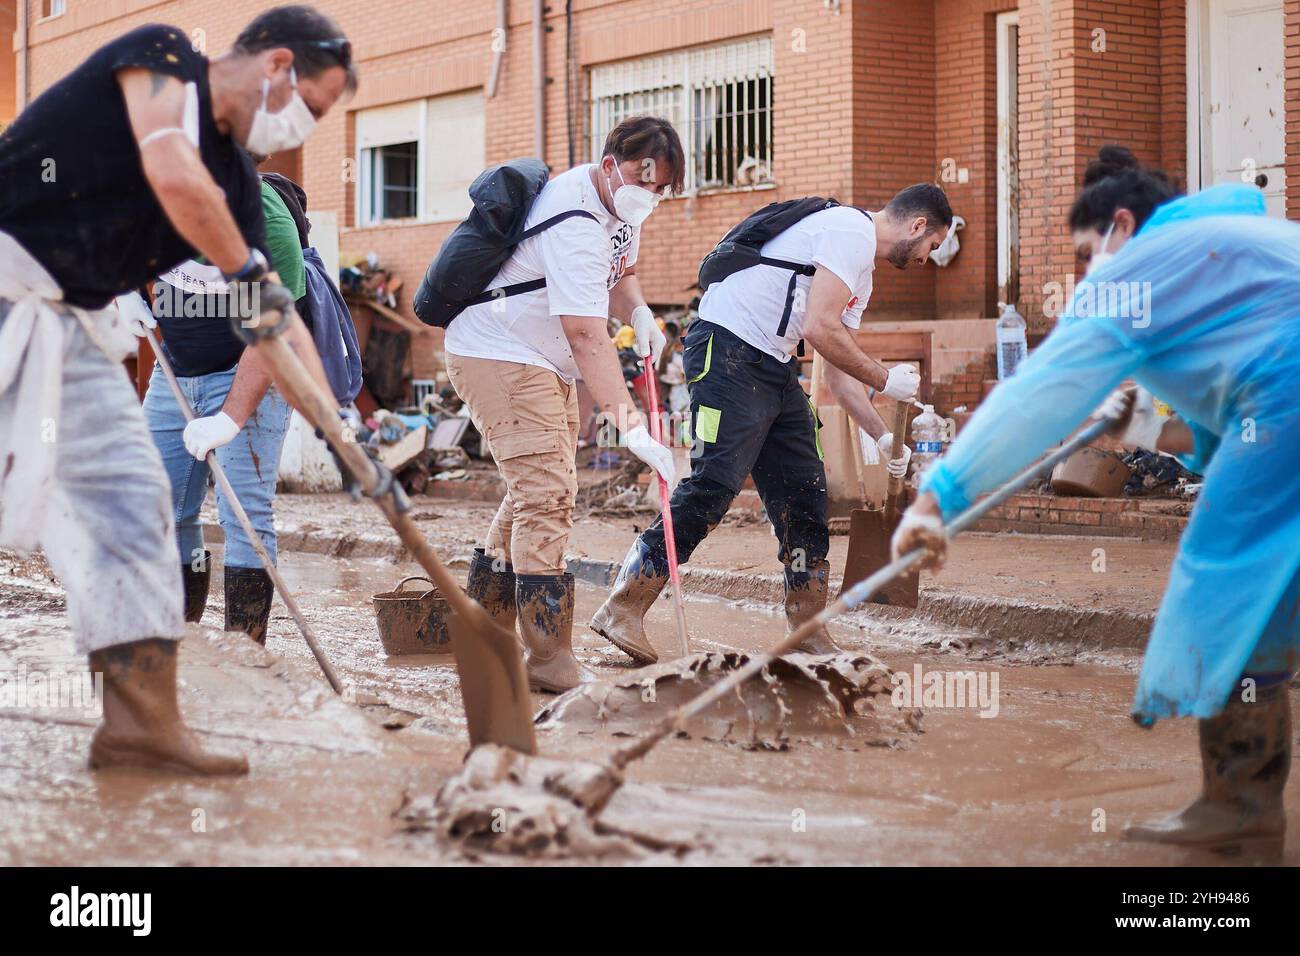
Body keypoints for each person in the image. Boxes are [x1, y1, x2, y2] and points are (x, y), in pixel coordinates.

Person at [893, 145, 1297, 855]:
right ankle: (1245, 801)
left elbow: (1040, 393)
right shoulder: (1239, 241)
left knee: (1226, 575)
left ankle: (1239, 803)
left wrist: (940, 495)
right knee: (1270, 596)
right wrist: (1156, 423)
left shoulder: (1141, 264)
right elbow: (1216, 415)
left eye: (1086, 256)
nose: (1086, 276)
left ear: (1119, 225)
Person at [0, 5, 355, 775]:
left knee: (136, 501)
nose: (305, 127)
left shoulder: (238, 182)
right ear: (278, 66)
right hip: (7, 277)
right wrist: (247, 275)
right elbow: (168, 166)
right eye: (313, 107)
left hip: (70, 318)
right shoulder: (162, 57)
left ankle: (139, 724)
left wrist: (341, 430)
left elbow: (277, 324)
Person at [592, 185, 953, 663]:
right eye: (933, 245)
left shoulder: (860, 274)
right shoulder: (849, 231)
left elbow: (843, 380)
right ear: (917, 225)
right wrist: (886, 378)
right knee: (713, 485)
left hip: (773, 366)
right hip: (726, 349)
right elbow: (819, 328)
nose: (929, 258)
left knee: (805, 492)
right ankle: (624, 605)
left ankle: (806, 626)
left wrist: (884, 437)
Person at [444, 116, 682, 693]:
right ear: (608, 165)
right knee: (547, 494)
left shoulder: (622, 208)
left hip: (543, 359)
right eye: (640, 178)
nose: (649, 193)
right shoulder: (575, 221)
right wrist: (631, 425)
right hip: (498, 351)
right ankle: (548, 657)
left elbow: (620, 274)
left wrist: (640, 311)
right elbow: (585, 335)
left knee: (535, 488)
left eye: (661, 186)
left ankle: (485, 627)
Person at [141, 159, 310, 645]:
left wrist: (231, 420)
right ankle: (181, 641)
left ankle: (244, 653)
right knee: (165, 510)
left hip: (251, 373)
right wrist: (127, 297)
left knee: (246, 522)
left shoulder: (268, 225)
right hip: (172, 373)